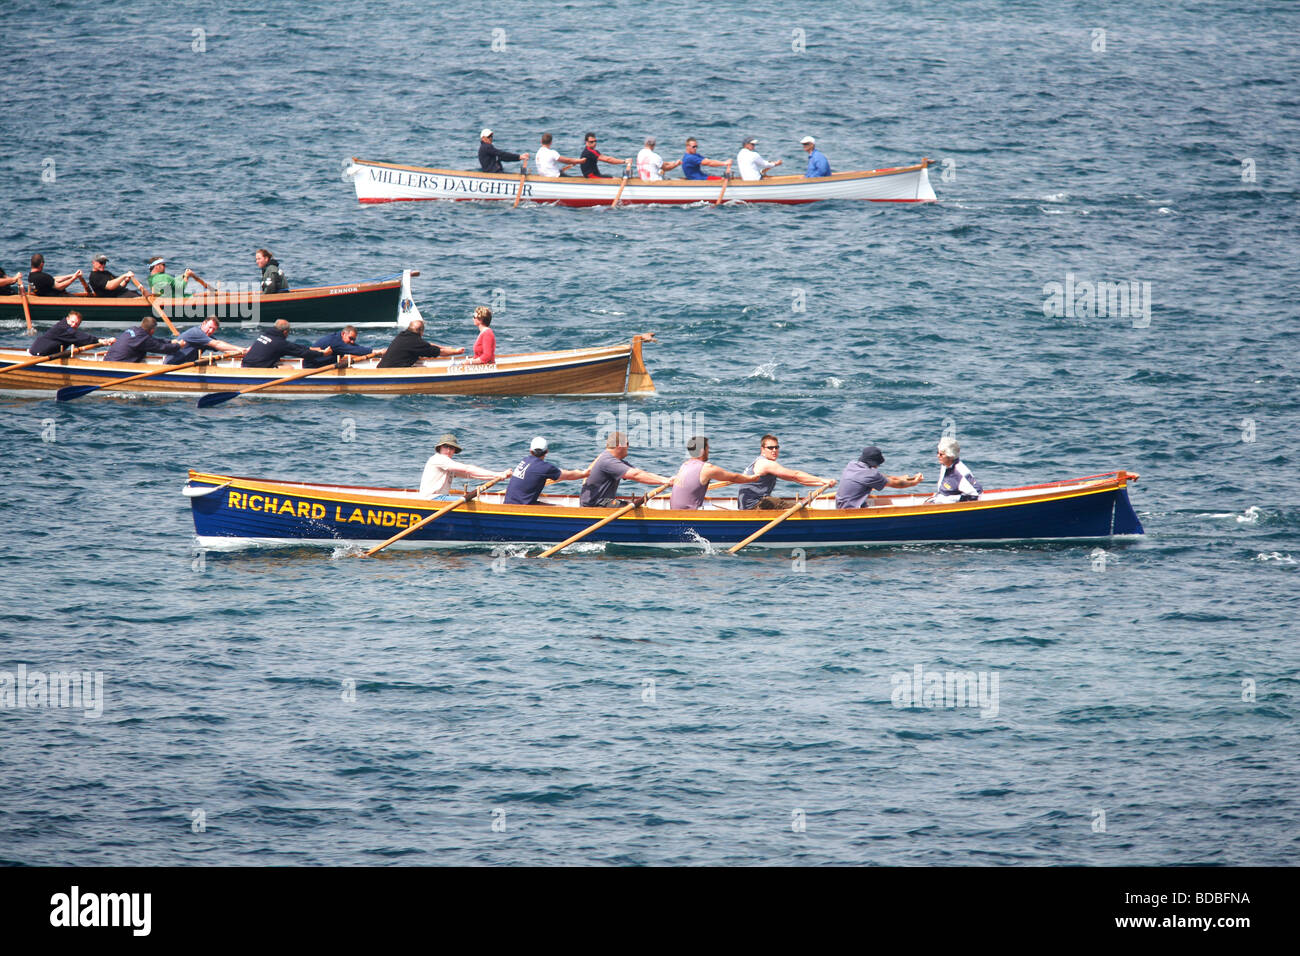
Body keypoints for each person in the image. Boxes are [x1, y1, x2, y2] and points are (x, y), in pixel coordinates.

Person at [736, 435, 836, 510]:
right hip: (755, 506)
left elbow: (799, 480)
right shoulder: (765, 463)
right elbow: (795, 475)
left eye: (776, 447)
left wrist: (823, 484)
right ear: (762, 449)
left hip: (748, 505)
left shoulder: (761, 462)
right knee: (799, 509)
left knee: (790, 505)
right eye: (770, 448)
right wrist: (822, 479)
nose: (774, 450)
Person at [579, 432, 675, 507]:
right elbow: (635, 475)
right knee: (634, 508)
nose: (628, 447)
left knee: (631, 505)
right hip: (596, 504)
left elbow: (639, 472)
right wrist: (664, 481)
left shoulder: (611, 459)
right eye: (627, 444)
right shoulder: (608, 461)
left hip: (601, 502)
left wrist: (668, 480)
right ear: (620, 445)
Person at [669, 436, 760, 510]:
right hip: (689, 513)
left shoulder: (684, 465)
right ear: (702, 451)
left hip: (675, 510)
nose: (709, 451)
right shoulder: (707, 468)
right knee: (726, 513)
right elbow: (734, 477)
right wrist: (752, 478)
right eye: (708, 448)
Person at [418, 432, 511, 499]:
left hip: (440, 498)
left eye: (452, 447)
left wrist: (499, 476)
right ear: (440, 448)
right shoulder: (439, 459)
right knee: (471, 504)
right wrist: (498, 474)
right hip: (432, 499)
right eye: (445, 447)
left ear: (455, 450)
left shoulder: (448, 464)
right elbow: (467, 469)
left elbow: (471, 475)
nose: (449, 450)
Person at [504, 437, 591, 505]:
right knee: (560, 508)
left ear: (530, 451)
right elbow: (568, 476)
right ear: (547, 451)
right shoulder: (545, 468)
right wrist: (584, 474)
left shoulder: (525, 460)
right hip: (522, 506)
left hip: (508, 503)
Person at [835, 446, 923, 509]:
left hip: (840, 506)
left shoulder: (851, 465)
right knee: (891, 506)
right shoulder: (871, 474)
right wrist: (915, 482)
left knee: (887, 502)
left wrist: (899, 477)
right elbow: (897, 484)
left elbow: (882, 476)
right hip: (852, 510)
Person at [376, 319, 464, 368]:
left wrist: (445, 347)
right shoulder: (415, 342)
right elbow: (439, 353)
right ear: (421, 331)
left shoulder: (402, 335)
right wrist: (456, 352)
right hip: (391, 372)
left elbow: (428, 345)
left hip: (381, 368)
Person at [241, 319, 329, 368]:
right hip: (256, 369)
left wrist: (310, 348)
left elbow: (293, 347)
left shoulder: (266, 334)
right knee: (289, 368)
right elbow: (301, 353)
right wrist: (322, 354)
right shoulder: (279, 343)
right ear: (285, 332)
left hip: (245, 364)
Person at [104, 316, 184, 363]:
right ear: (152, 330)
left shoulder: (133, 329)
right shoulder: (143, 339)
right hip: (118, 364)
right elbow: (162, 348)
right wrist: (178, 346)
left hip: (107, 360)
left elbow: (153, 341)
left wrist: (170, 341)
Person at [166, 316, 243, 364]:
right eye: (209, 327)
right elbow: (217, 344)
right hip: (172, 364)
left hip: (186, 365)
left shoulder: (207, 338)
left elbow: (223, 348)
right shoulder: (195, 332)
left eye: (213, 329)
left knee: (213, 364)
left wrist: (243, 353)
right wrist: (241, 349)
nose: (210, 331)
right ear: (203, 324)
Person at [928, 437, 983, 503]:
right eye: (937, 453)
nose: (938, 456)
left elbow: (977, 492)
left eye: (941, 454)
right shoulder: (944, 465)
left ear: (950, 456)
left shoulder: (960, 472)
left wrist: (950, 499)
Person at [28, 311, 106, 356]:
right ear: (67, 319)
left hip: (49, 354)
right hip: (37, 354)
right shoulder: (62, 328)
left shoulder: (68, 329)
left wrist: (101, 341)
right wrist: (99, 340)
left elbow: (81, 341)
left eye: (77, 324)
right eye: (72, 322)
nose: (74, 325)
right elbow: (79, 336)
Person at [304, 325, 372, 368]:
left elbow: (356, 348)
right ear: (343, 334)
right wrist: (373, 351)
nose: (352, 342)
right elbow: (354, 350)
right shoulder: (336, 342)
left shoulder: (340, 338)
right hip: (311, 367)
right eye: (351, 338)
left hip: (322, 363)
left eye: (354, 339)